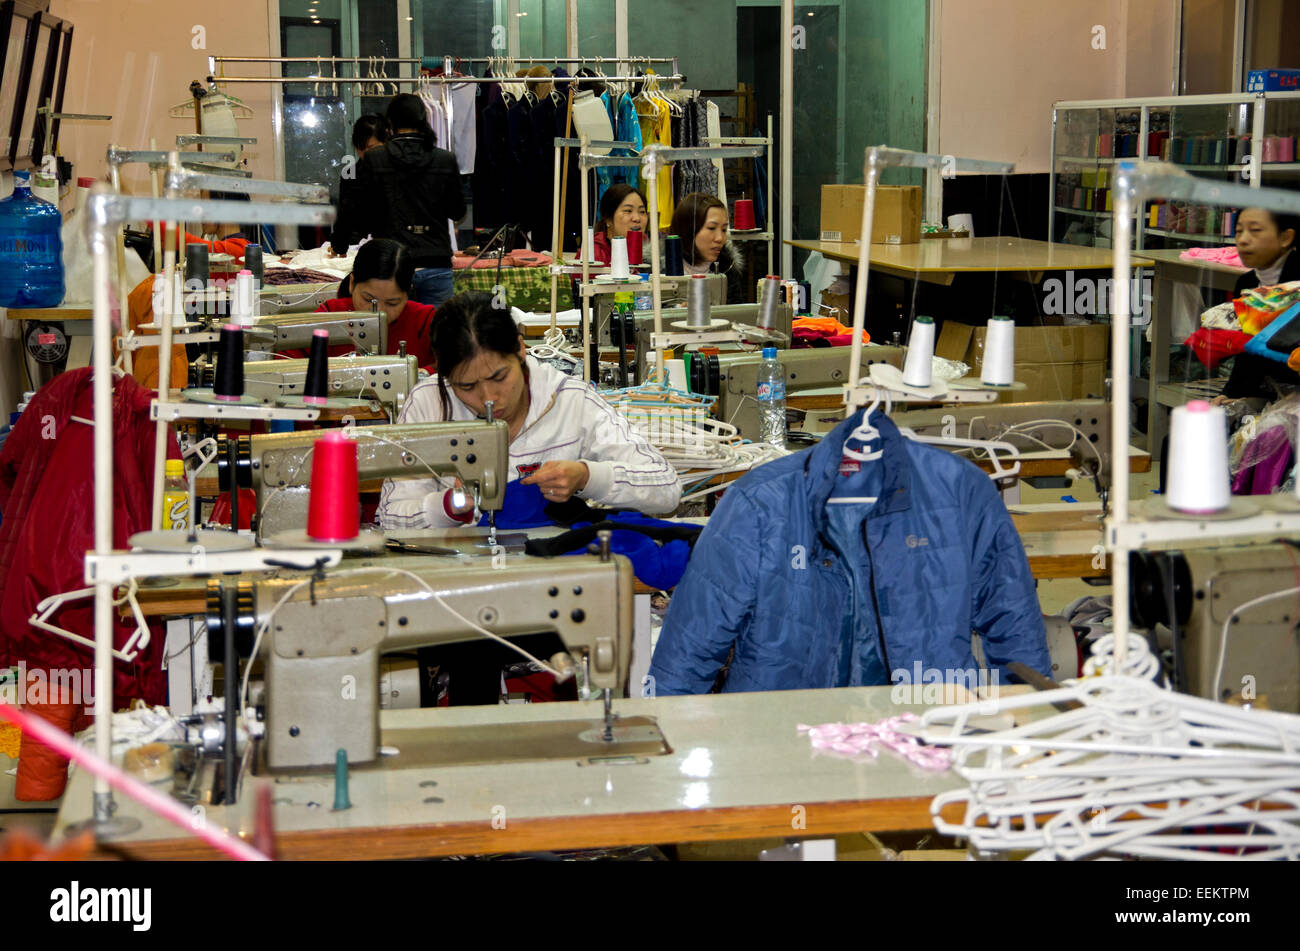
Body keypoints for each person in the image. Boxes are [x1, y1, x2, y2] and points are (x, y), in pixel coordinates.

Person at [377, 291, 680, 530]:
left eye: (499, 377)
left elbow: (666, 486)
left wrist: (588, 477)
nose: (489, 398)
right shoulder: (429, 403)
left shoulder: (569, 400)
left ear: (520, 349)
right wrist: (448, 506)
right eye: (466, 386)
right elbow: (390, 516)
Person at [342, 94, 466, 310]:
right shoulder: (444, 159)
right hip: (435, 259)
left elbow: (361, 212)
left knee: (390, 337)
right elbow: (457, 211)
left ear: (391, 123)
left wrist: (342, 241)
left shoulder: (375, 158)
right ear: (422, 120)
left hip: (391, 265)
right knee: (438, 335)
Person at [284, 238, 437, 369]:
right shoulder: (330, 316)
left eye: (392, 303)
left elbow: (455, 366)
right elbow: (284, 363)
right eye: (368, 300)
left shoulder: (425, 322)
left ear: (407, 293)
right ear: (352, 283)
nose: (379, 312)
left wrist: (424, 375)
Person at [1219, 208, 1300, 402]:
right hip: (1272, 389)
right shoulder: (1246, 283)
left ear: (1286, 238)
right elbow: (1248, 347)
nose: (1243, 240)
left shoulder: (1296, 286)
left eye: (1255, 230)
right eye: (1238, 231)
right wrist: (1232, 393)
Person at [328, 114, 390, 254]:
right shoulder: (350, 173)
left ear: (385, 142)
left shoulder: (395, 170)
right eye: (361, 149)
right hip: (356, 246)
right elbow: (344, 214)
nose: (366, 154)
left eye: (371, 147)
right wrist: (339, 244)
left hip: (391, 244)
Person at [671, 191, 746, 304]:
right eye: (711, 228)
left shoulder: (728, 270)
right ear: (688, 229)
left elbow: (735, 315)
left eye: (724, 230)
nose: (720, 238)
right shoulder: (656, 271)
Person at [592, 184, 647, 264]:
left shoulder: (653, 254)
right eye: (628, 211)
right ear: (608, 219)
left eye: (642, 211)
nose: (637, 218)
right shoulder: (593, 255)